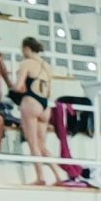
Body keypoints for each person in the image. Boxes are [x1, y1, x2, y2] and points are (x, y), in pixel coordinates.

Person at [9, 36, 66, 185]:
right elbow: (49, 91)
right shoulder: (47, 66)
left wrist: (12, 87)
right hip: (45, 106)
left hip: (31, 102)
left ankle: (40, 177)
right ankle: (58, 175)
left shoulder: (26, 63)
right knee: (42, 145)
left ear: (27, 48)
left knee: (33, 143)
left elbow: (19, 86)